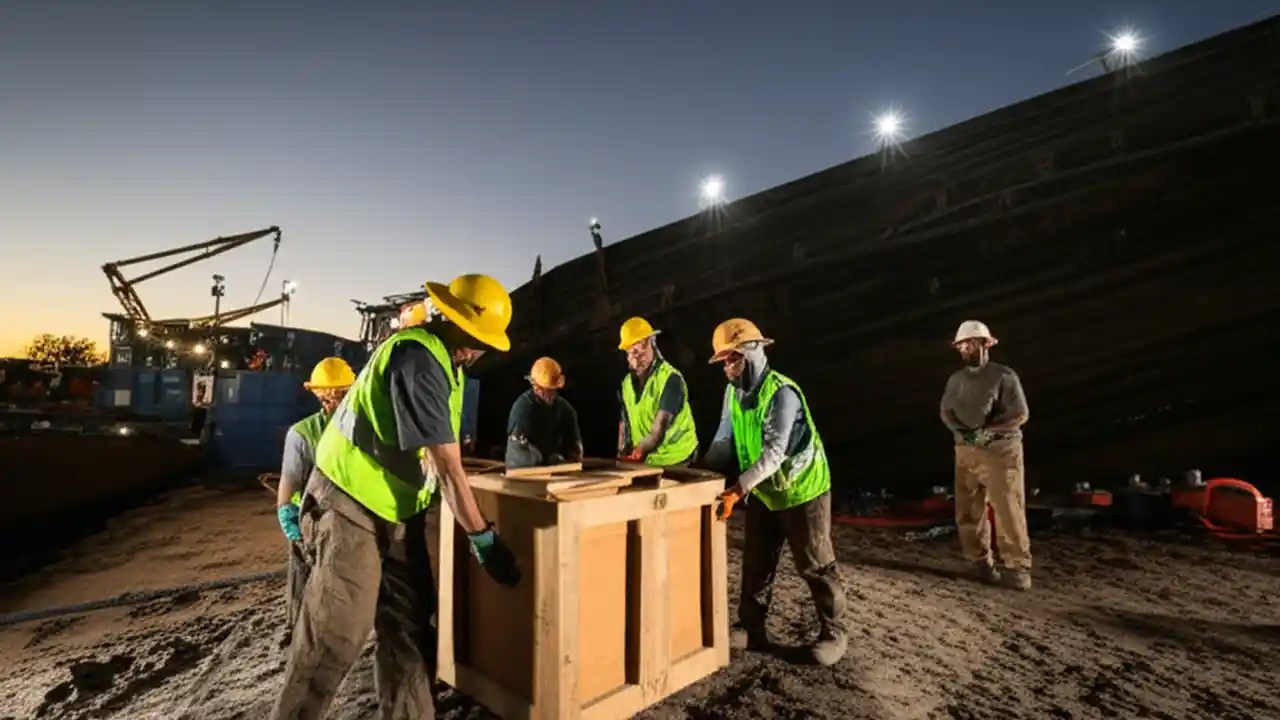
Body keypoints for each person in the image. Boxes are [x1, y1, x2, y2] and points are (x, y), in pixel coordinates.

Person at [272, 273, 522, 720]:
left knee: (410, 631)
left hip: (400, 514)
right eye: (474, 338)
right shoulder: (417, 359)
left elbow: (433, 459)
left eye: (483, 342)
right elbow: (449, 469)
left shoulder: (448, 367)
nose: (477, 350)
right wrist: (481, 538)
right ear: (452, 321)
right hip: (350, 503)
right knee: (335, 635)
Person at [705, 318, 848, 667]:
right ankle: (751, 629)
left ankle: (834, 633)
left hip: (803, 491)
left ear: (752, 354)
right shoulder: (733, 393)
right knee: (756, 563)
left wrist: (737, 490)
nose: (727, 368)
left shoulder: (782, 394)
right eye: (723, 361)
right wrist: (699, 476)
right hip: (766, 491)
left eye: (732, 359)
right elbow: (723, 439)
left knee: (815, 565)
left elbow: (774, 453)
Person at [939, 320, 1032, 590]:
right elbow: (945, 411)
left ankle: (1016, 566)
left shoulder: (1004, 376)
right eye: (961, 345)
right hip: (966, 450)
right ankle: (978, 561)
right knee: (968, 508)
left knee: (1008, 508)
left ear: (984, 344)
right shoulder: (956, 380)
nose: (964, 349)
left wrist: (987, 432)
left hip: (1000, 451)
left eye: (969, 344)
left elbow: (1019, 414)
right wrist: (960, 432)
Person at [271, 356, 355, 645]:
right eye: (330, 394)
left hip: (345, 517)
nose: (334, 399)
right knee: (306, 576)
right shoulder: (303, 434)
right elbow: (288, 483)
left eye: (340, 393)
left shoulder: (360, 429)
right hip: (315, 518)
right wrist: (288, 517)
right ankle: (297, 630)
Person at [616, 316, 698, 467]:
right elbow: (624, 422)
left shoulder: (670, 379)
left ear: (651, 344)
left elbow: (658, 431)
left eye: (639, 352)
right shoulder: (627, 384)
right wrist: (621, 455)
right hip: (648, 458)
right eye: (631, 353)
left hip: (677, 457)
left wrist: (638, 452)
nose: (635, 360)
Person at [505, 356, 583, 469]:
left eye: (553, 390)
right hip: (525, 469)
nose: (550, 394)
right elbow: (518, 451)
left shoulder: (564, 408)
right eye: (546, 390)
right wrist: (543, 459)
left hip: (553, 469)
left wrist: (574, 453)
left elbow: (574, 442)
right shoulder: (523, 408)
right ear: (536, 387)